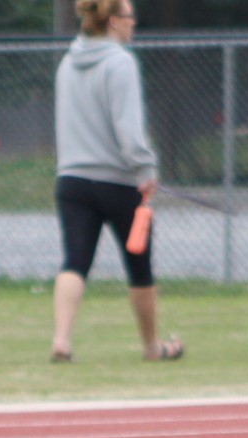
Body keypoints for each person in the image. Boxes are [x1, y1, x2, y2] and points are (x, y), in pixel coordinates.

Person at [50, 0, 182, 362]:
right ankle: (152, 347)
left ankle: (61, 339)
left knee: (75, 262)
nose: (133, 23)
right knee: (140, 268)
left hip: (73, 180)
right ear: (112, 22)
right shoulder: (120, 63)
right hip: (119, 183)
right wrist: (146, 169)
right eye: (128, 16)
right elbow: (130, 130)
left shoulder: (66, 62)